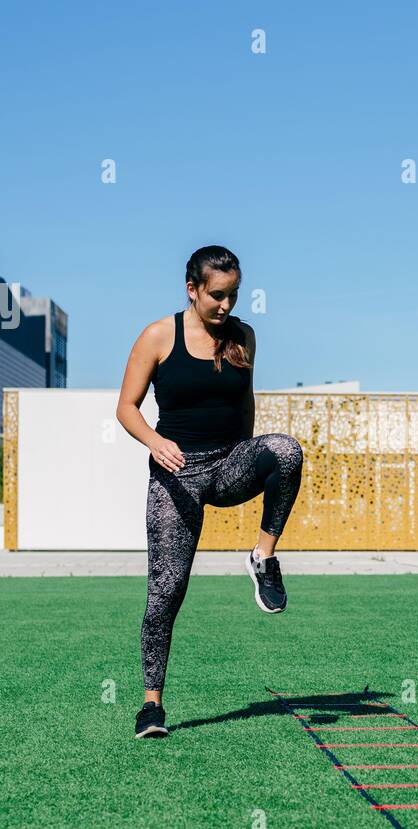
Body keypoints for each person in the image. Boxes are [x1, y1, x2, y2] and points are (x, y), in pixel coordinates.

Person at [116, 245, 304, 739]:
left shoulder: (244, 336)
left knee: (286, 451)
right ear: (192, 289)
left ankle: (263, 557)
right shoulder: (158, 336)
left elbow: (246, 406)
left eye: (234, 295)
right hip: (177, 474)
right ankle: (151, 706)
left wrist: (247, 459)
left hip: (227, 463)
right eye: (217, 295)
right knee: (166, 593)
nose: (226, 305)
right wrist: (156, 444)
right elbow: (127, 407)